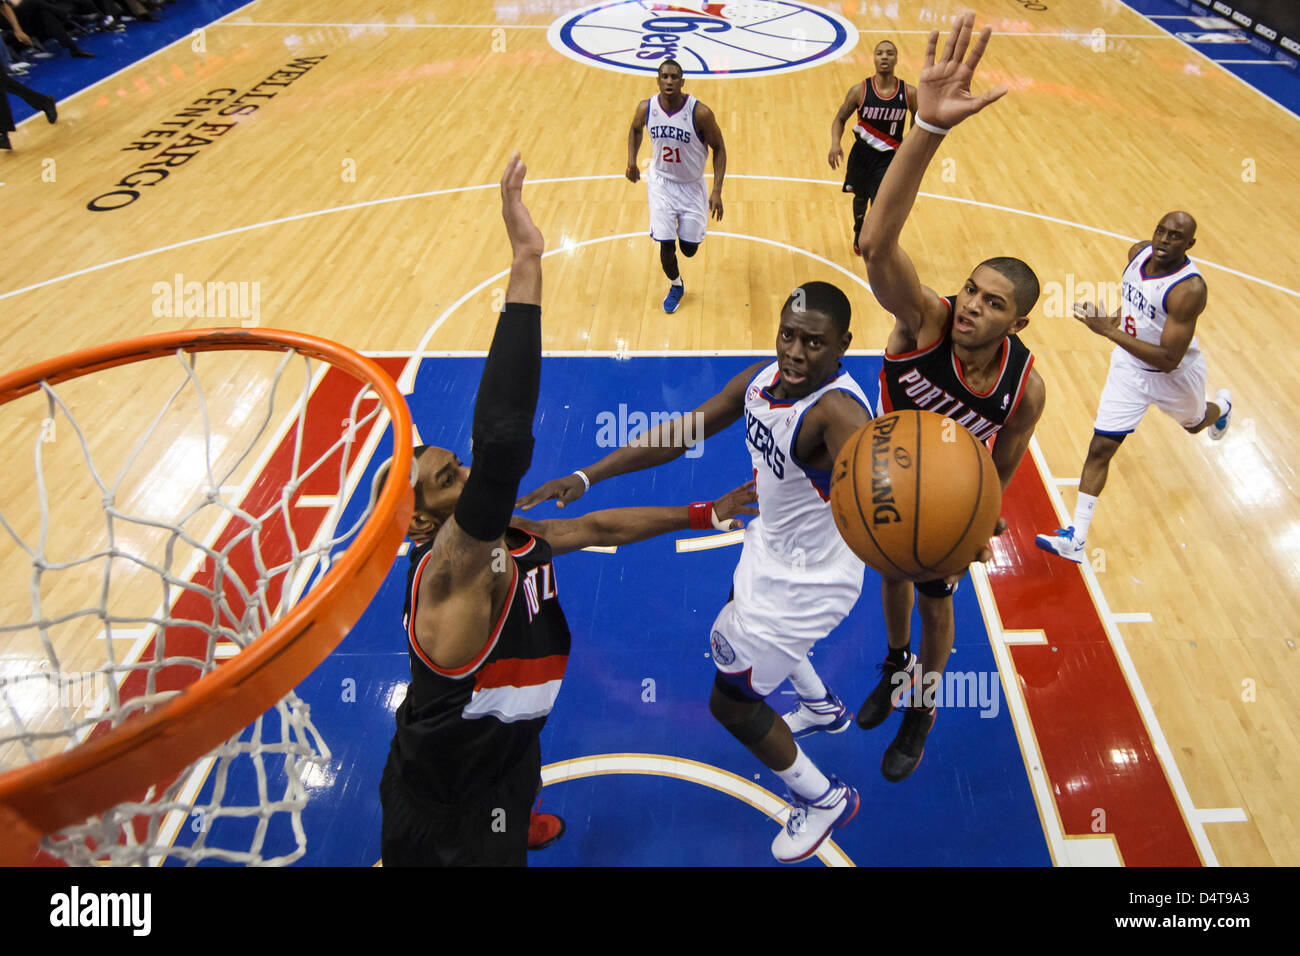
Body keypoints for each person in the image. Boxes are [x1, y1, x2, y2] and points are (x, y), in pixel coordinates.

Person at [378, 153, 757, 867]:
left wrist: (705, 512)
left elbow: (594, 527)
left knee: (517, 772)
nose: (458, 469)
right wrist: (526, 262)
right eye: (443, 477)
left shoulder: (508, 540)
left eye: (452, 464)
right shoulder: (448, 574)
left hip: (504, 749)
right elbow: (500, 446)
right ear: (422, 522)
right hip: (447, 809)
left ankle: (513, 815)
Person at [519, 281, 879, 864]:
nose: (794, 352)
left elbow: (879, 496)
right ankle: (819, 707)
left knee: (731, 704)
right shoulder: (763, 381)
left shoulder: (838, 414)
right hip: (774, 548)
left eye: (813, 343)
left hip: (810, 582)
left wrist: (935, 536)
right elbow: (680, 433)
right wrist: (588, 476)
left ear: (843, 345)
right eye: (788, 335)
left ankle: (823, 799)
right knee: (738, 611)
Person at [811, 14, 1044, 784]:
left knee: (939, 598)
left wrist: (983, 516)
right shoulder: (923, 323)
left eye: (993, 303)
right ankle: (893, 662)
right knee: (891, 574)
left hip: (946, 499)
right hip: (892, 480)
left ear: (1018, 322)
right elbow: (876, 244)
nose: (972, 305)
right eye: (972, 290)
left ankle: (922, 702)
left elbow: (1006, 459)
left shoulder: (1025, 387)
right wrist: (929, 131)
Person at [1036, 213, 1230, 563]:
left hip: (1174, 376)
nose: (1164, 240)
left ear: (1190, 245)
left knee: (1195, 424)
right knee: (1100, 447)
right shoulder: (1137, 253)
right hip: (1128, 368)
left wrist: (1107, 331)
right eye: (1161, 230)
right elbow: (1135, 301)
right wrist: (1112, 319)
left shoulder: (1189, 290)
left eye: (1175, 236)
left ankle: (1221, 410)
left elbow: (1169, 359)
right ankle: (1076, 538)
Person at [625, 58, 726, 314]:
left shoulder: (700, 113)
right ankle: (676, 284)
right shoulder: (646, 108)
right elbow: (635, 130)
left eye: (674, 77)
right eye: (664, 77)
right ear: (658, 81)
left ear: (682, 82)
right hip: (661, 183)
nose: (669, 81)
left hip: (692, 186)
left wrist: (716, 191)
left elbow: (719, 148)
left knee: (689, 249)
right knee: (665, 243)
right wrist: (631, 162)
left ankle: (688, 237)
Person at [829, 39, 916, 256]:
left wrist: (910, 142)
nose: (884, 57)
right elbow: (840, 119)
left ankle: (876, 240)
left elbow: (919, 118)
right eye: (879, 53)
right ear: (874, 59)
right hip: (861, 155)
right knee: (859, 198)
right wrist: (835, 143)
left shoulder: (909, 93)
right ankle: (859, 230)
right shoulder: (860, 90)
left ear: (896, 59)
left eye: (889, 53)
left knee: (880, 205)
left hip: (889, 159)